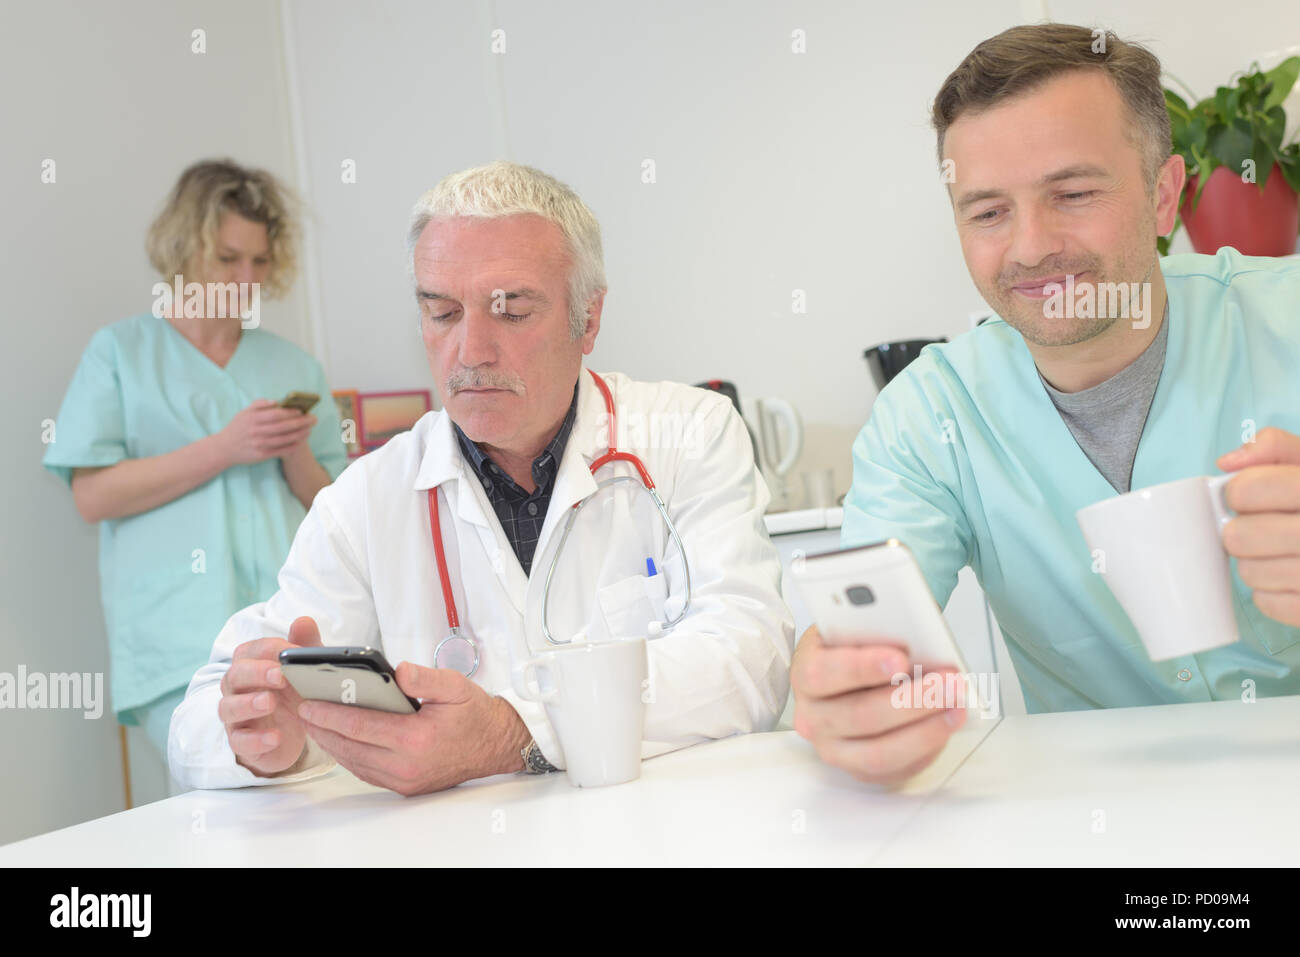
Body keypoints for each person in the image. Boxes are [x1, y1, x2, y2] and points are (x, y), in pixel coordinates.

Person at [169, 160, 794, 793]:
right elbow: (195, 724)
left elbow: (750, 657)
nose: (470, 352)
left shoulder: (689, 433)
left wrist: (512, 731)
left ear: (589, 318)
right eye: (442, 314)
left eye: (513, 313)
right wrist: (264, 741)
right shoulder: (366, 498)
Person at [791, 24, 1300, 785]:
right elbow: (852, 634)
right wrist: (840, 690)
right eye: (988, 211)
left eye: (1073, 193)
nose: (1031, 246)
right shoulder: (930, 416)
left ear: (1164, 195)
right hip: (1099, 819)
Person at [44, 159, 348, 766]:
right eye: (228, 258)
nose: (246, 277)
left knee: (303, 807)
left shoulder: (291, 365)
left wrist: (291, 453)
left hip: (289, 628)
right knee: (220, 798)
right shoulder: (121, 353)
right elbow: (93, 496)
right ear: (185, 251)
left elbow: (333, 505)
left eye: (260, 261)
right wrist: (223, 449)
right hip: (175, 641)